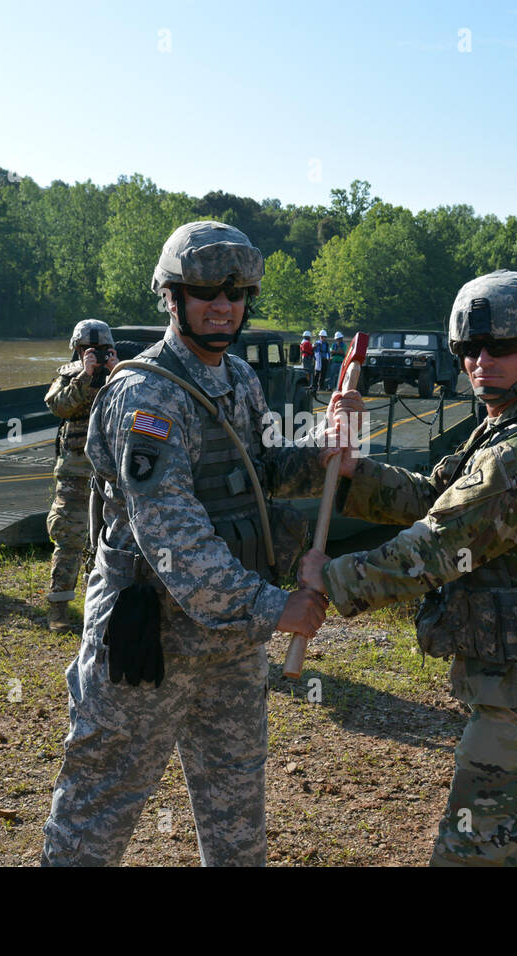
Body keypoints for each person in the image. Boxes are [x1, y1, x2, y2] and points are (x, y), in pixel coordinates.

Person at [41, 220, 329, 867]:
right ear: (172, 297)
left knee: (235, 819)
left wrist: (325, 449)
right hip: (149, 646)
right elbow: (171, 535)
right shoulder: (146, 396)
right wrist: (269, 605)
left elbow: (262, 474)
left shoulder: (242, 382)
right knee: (97, 812)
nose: (223, 305)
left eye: (236, 292)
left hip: (227, 650)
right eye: (205, 292)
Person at [299, 270, 517, 866]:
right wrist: (357, 472)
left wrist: (328, 580)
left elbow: (435, 547)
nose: (481, 361)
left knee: (469, 854)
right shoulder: (506, 432)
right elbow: (430, 498)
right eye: (468, 349)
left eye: (501, 347)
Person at [43, 319, 119, 633]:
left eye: (101, 350)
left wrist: (118, 374)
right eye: (89, 350)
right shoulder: (68, 376)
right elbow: (58, 407)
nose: (96, 355)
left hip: (111, 474)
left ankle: (100, 607)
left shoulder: (123, 375)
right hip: (75, 472)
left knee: (109, 540)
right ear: (77, 350)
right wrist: (85, 377)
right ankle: (58, 607)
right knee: (69, 536)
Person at [299, 331, 315, 396]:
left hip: (303, 357)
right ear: (308, 337)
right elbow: (310, 350)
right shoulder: (307, 343)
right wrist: (314, 347)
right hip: (307, 358)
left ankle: (305, 383)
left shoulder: (302, 343)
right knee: (310, 371)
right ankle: (309, 384)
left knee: (305, 370)